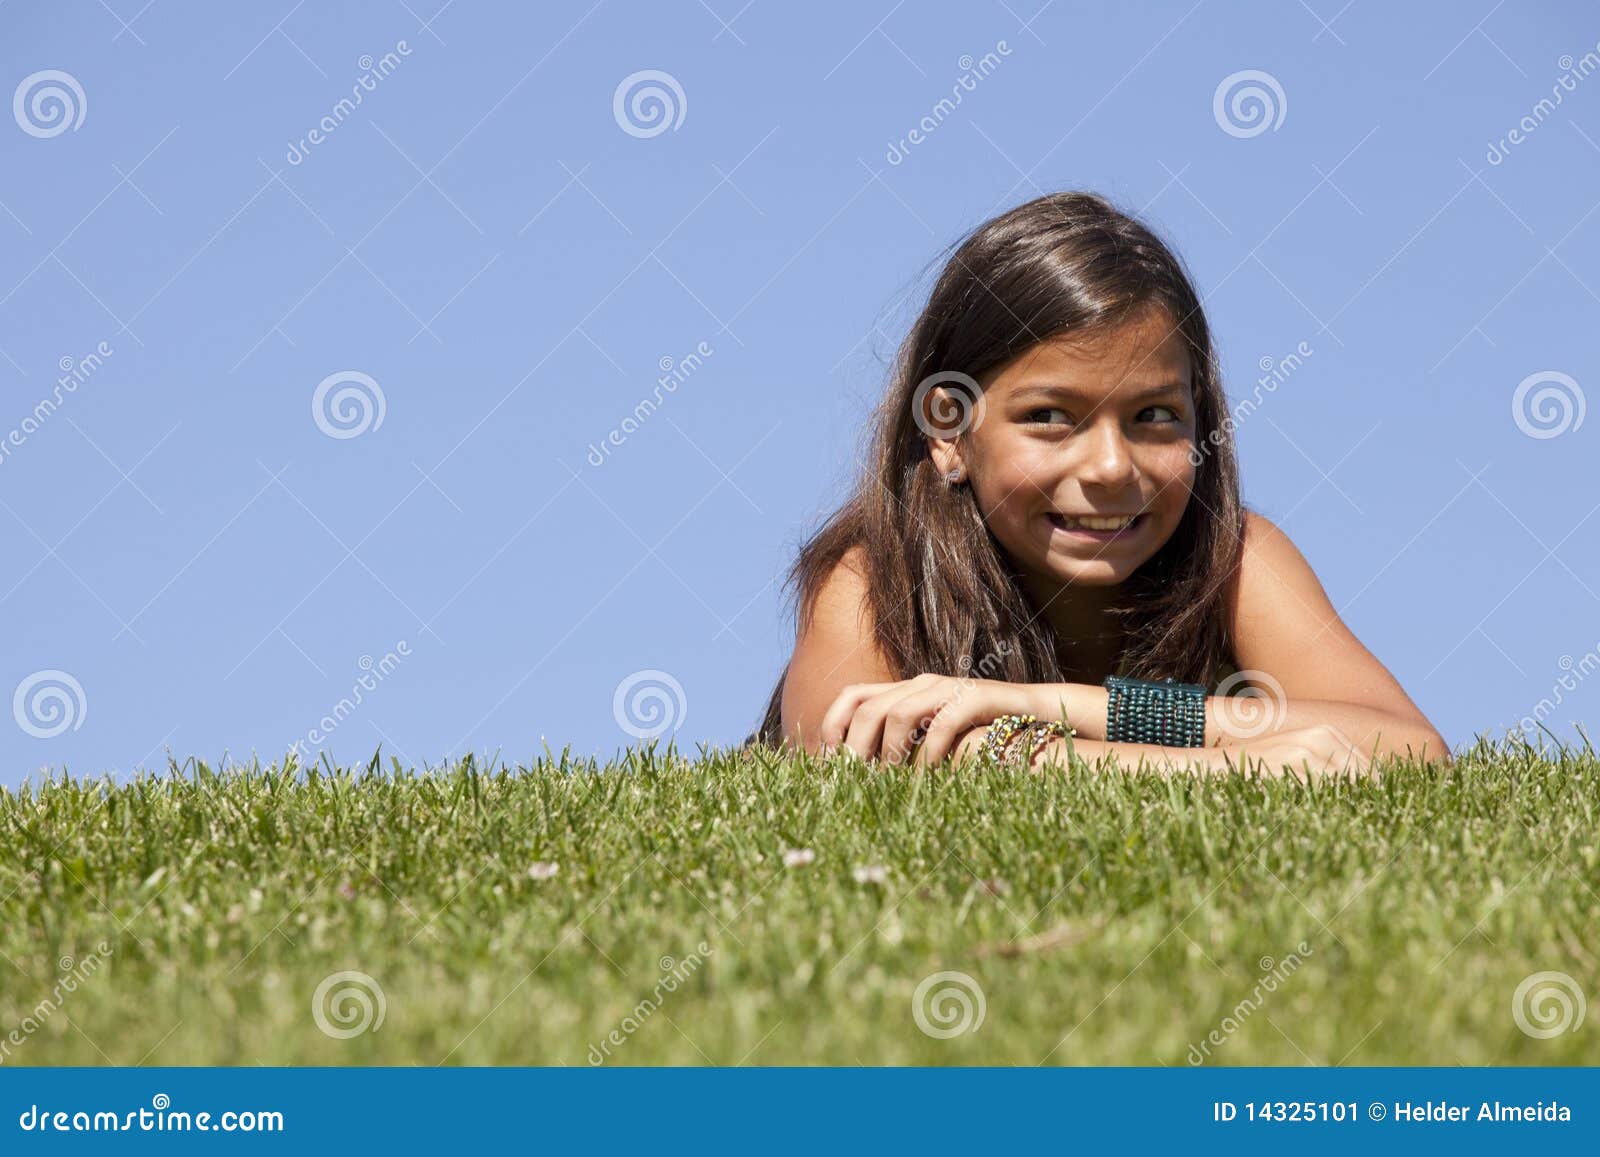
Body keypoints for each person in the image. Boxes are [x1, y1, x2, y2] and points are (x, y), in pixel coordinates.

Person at [748, 191, 1447, 777]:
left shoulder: (1238, 557)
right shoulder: (874, 575)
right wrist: (1216, 766)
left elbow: (1411, 748)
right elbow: (856, 758)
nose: (1112, 467)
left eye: (1154, 416)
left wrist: (1063, 703)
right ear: (948, 433)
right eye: (1049, 417)